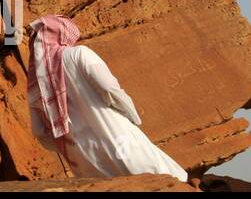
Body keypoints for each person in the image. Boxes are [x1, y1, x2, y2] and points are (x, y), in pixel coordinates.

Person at [26, 14, 187, 181]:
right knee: (163, 178)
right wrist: (132, 116)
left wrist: (70, 148)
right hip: (117, 138)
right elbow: (109, 89)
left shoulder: (36, 83)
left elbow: (40, 132)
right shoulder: (79, 53)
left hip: (84, 158)